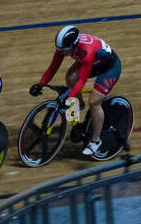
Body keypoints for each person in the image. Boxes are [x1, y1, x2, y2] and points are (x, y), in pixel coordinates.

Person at [31, 26, 119, 159]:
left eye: (63, 50)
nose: (60, 51)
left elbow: (82, 80)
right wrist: (41, 83)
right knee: (70, 78)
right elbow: (53, 67)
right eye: (59, 48)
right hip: (92, 64)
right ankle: (79, 104)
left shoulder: (86, 51)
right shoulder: (64, 47)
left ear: (73, 46)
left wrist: (70, 97)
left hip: (109, 68)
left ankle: (96, 141)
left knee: (94, 102)